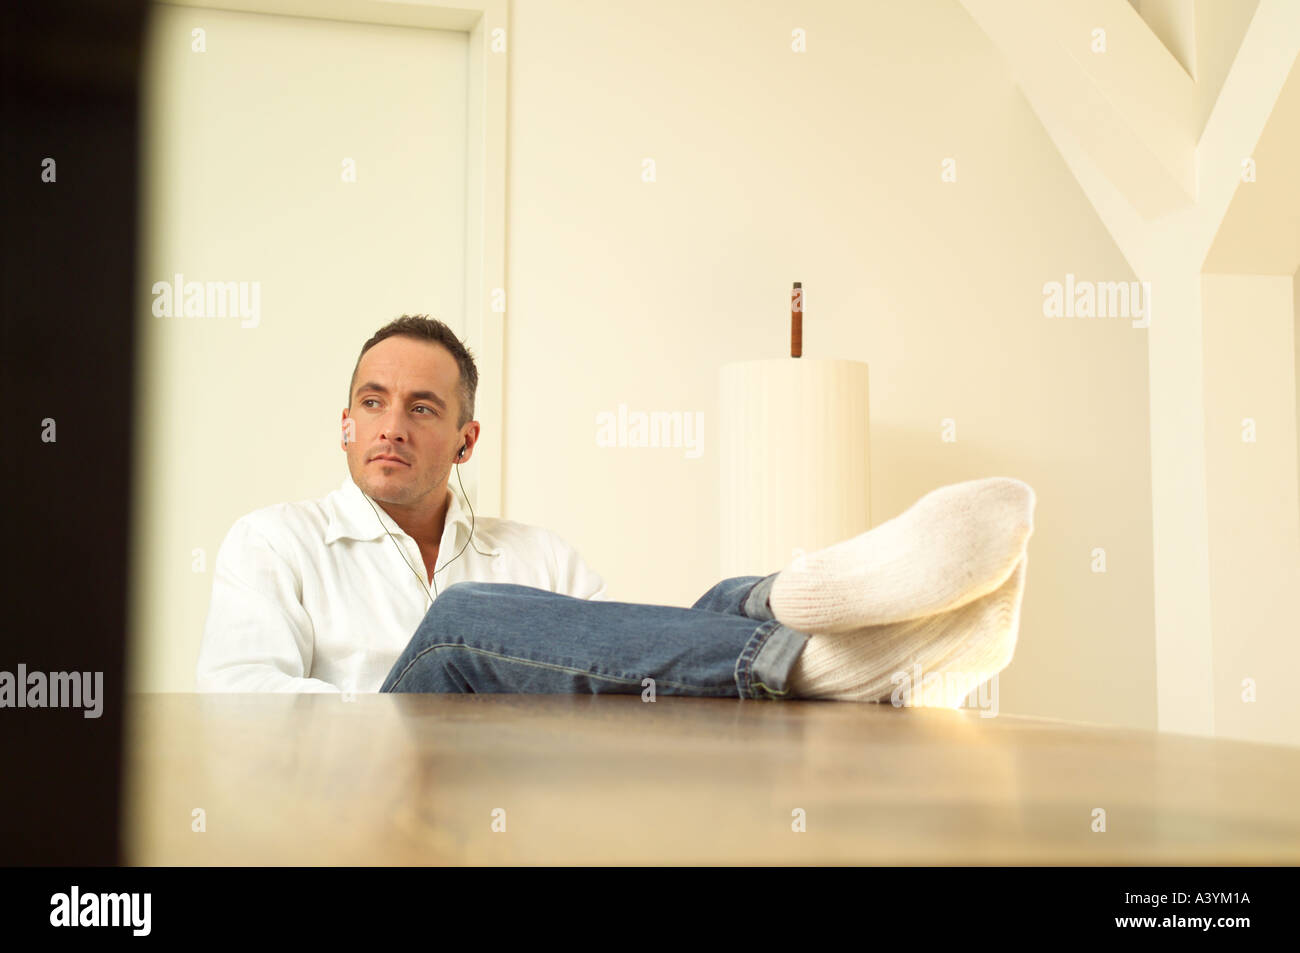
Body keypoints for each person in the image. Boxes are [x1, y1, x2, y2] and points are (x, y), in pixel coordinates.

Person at [197, 315, 1035, 705]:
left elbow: (634, 672)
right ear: (346, 425)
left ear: (465, 439)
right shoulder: (272, 542)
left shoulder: (536, 555)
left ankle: (788, 604)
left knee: (685, 631)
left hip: (519, 790)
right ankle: (817, 656)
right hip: (371, 779)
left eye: (421, 407)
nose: (391, 425)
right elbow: (238, 703)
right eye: (373, 402)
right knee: (460, 625)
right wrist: (422, 711)